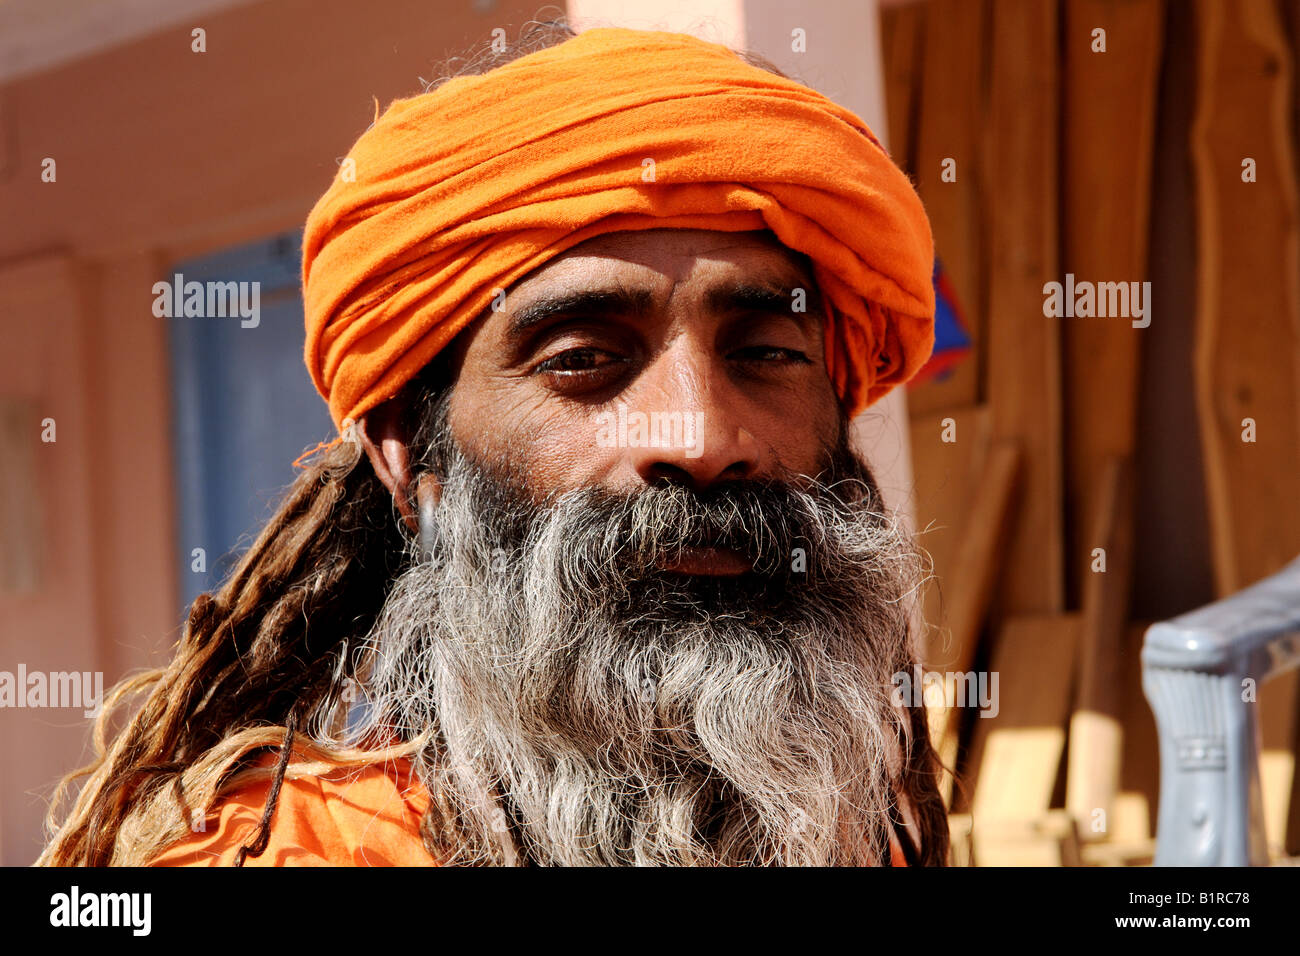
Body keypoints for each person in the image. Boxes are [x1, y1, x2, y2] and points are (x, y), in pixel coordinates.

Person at [40, 20, 948, 867]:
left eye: (766, 353)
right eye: (584, 359)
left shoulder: (870, 839)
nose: (702, 439)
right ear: (410, 456)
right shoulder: (293, 853)